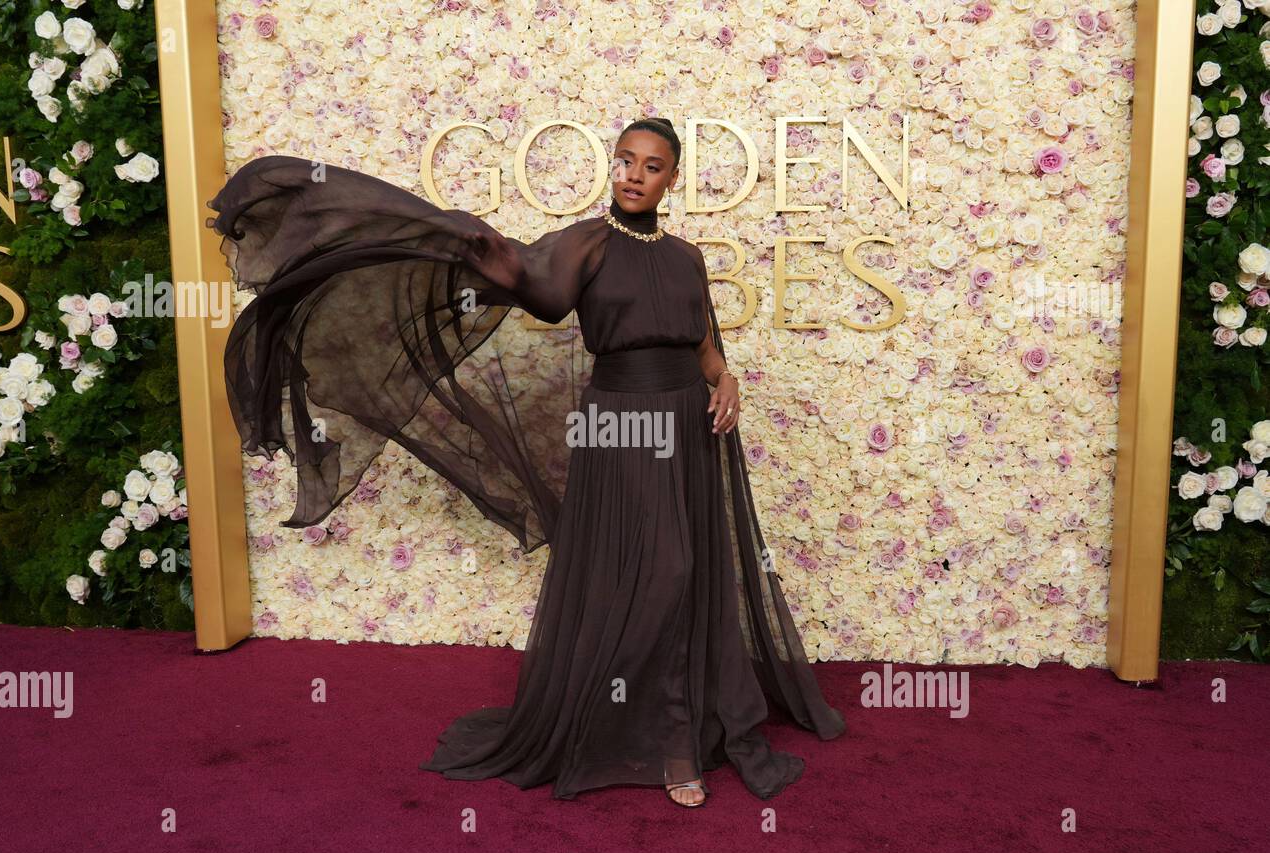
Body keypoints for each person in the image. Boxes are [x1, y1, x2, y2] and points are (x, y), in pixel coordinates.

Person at [205, 117, 846, 809]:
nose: (633, 174)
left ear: (673, 177)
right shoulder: (587, 244)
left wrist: (727, 382)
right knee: (665, 570)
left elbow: (703, 344)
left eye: (651, 166)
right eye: (624, 160)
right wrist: (470, 244)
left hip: (689, 427)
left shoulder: (686, 256)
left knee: (692, 577)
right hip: (624, 427)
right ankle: (674, 744)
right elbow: (540, 293)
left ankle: (681, 722)